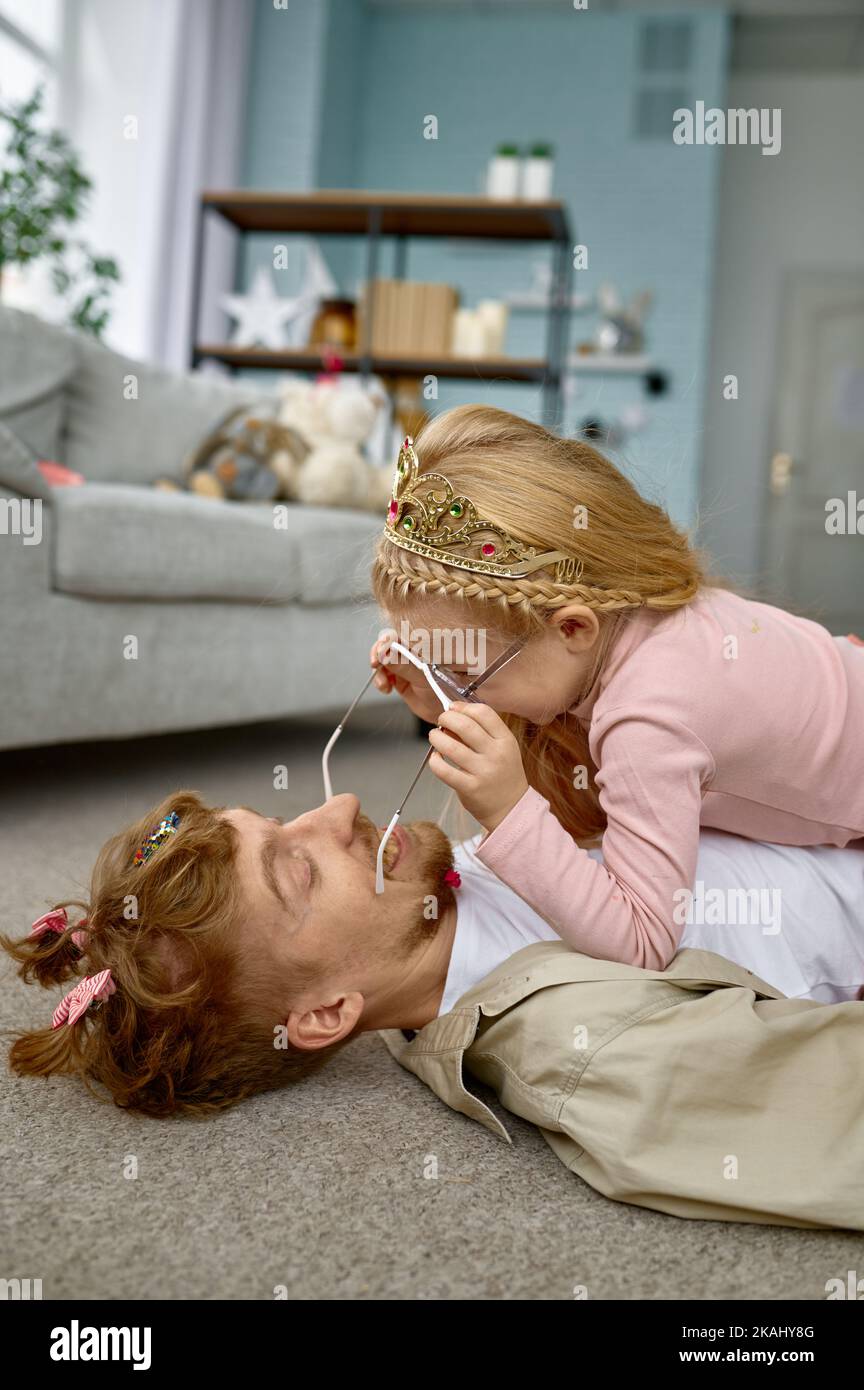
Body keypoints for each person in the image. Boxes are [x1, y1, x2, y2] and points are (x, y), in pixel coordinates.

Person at [370, 405, 864, 971]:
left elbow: (644, 941)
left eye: (463, 672)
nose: (460, 688)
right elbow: (531, 683)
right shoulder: (641, 614)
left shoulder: (648, 723)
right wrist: (444, 691)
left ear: (574, 627)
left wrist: (510, 810)